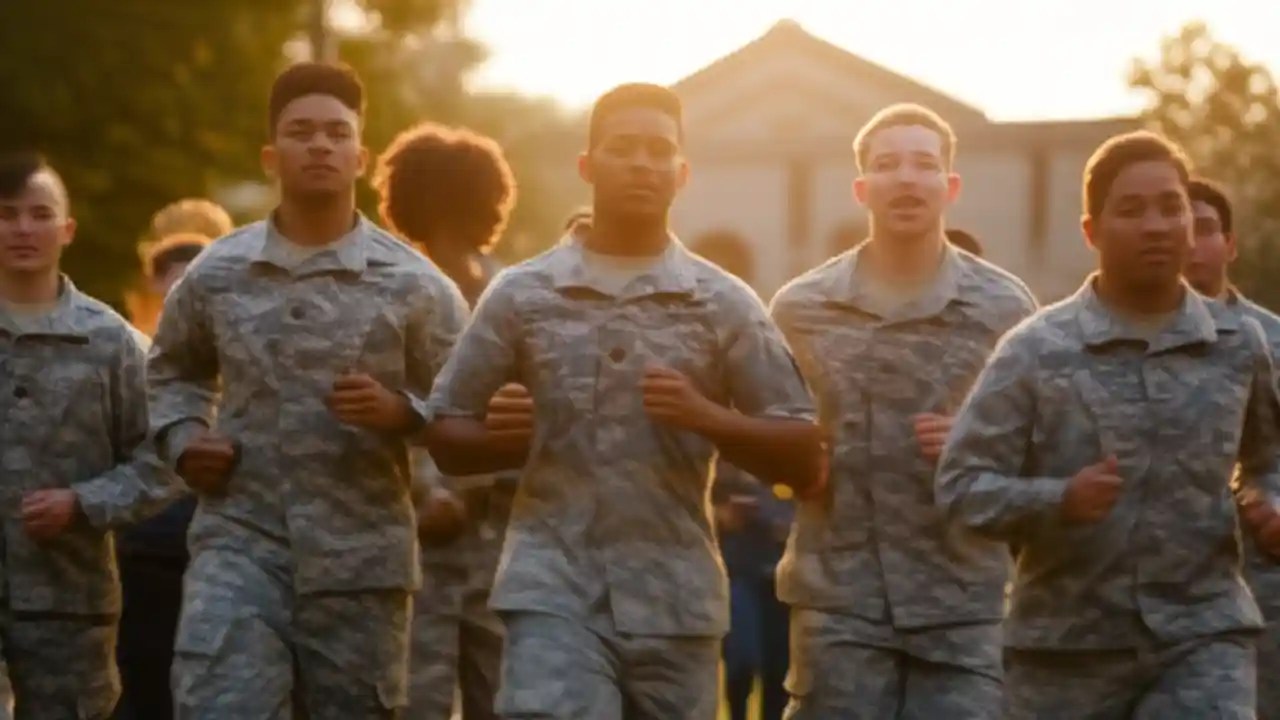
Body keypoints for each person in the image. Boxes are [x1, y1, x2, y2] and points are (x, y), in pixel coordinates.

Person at [424, 82, 825, 720]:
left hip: (675, 602)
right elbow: (445, 435)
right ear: (587, 166)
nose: (642, 163)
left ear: (681, 173)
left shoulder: (722, 303)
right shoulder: (522, 294)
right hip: (551, 591)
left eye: (659, 150)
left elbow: (804, 457)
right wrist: (505, 439)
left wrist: (707, 417)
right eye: (622, 148)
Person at [147, 62, 469, 719]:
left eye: (335, 132)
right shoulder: (218, 271)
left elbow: (471, 401)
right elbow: (171, 369)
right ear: (272, 155)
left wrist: (401, 412)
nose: (319, 145)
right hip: (239, 547)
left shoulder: (416, 284)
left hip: (361, 566)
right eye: (300, 132)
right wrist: (183, 439)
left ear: (360, 155)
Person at [937, 131, 1280, 719]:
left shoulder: (1238, 344)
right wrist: (1058, 499)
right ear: (1091, 231)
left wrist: (1271, 499)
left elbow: (1268, 458)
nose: (1156, 225)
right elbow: (960, 488)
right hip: (1066, 653)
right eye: (1132, 209)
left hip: (1202, 636)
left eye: (1171, 207)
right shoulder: (1036, 350)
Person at [769, 103, 1038, 720]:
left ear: (950, 187)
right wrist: (793, 465)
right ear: (862, 188)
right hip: (838, 603)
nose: (907, 179)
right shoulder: (801, 308)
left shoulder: (1005, 308)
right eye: (887, 165)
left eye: (925, 164)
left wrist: (979, 450)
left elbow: (1050, 443)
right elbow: (768, 436)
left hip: (965, 603)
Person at [0, 151, 177, 718]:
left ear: (67, 229)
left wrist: (84, 503)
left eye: (39, 213)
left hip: (67, 604)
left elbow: (162, 461)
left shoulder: (110, 343)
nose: (24, 228)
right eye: (7, 214)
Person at [373, 121, 522, 720]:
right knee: (418, 702)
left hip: (504, 536)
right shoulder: (395, 290)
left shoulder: (512, 289)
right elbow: (380, 405)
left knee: (510, 700)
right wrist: (422, 493)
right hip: (421, 541)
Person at [1182, 177, 1280, 719]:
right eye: (1183, 228)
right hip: (1160, 582)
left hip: (1261, 576)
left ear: (1231, 245)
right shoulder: (1106, 341)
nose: (1193, 243)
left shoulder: (1268, 339)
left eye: (1206, 229)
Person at [115, 224, 220, 720]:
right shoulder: (122, 359)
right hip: (143, 562)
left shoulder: (250, 367)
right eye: (170, 286)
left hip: (223, 564)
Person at [712, 461, 791, 720]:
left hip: (782, 580)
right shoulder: (725, 443)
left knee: (778, 669)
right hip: (740, 572)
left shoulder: (793, 433)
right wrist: (723, 515)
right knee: (741, 662)